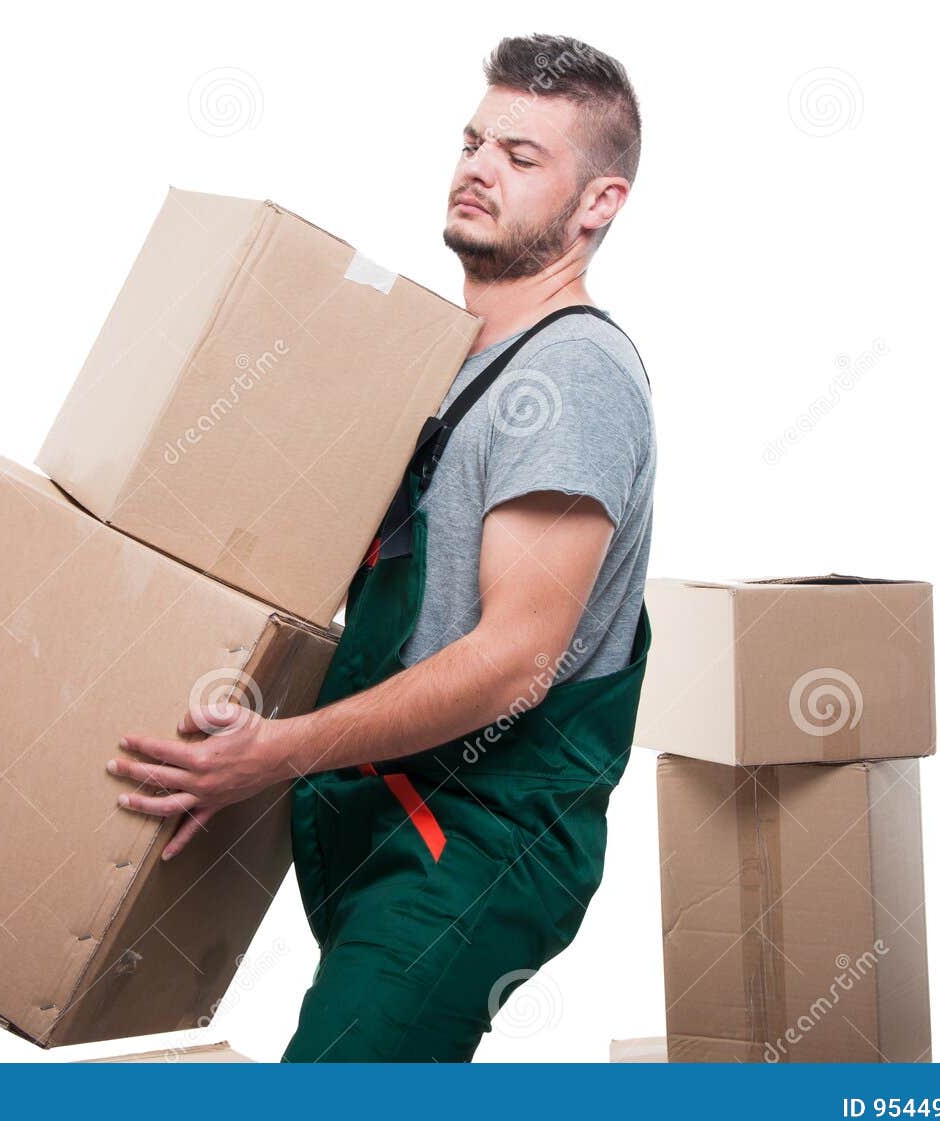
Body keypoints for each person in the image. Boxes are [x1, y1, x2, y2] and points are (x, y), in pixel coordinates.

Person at [111, 33, 655, 1061]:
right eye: (473, 140)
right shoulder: (449, 362)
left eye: (522, 156)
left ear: (599, 204)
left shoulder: (571, 377)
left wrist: (272, 754)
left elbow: (515, 660)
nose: (478, 167)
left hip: (481, 843)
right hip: (395, 816)